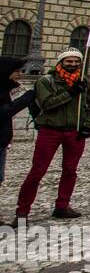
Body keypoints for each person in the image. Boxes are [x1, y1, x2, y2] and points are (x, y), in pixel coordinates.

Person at [13, 48, 90, 223]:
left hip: (74, 132)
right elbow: (48, 104)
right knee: (37, 172)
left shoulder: (84, 82)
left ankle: (62, 206)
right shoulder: (46, 81)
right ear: (61, 62)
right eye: (69, 61)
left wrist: (87, 127)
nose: (73, 64)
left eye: (76, 61)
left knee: (70, 171)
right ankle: (22, 212)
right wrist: (71, 92)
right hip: (50, 130)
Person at [0, 59, 35, 194]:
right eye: (16, 72)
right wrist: (26, 98)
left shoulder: (6, 88)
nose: (19, 75)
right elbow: (4, 112)